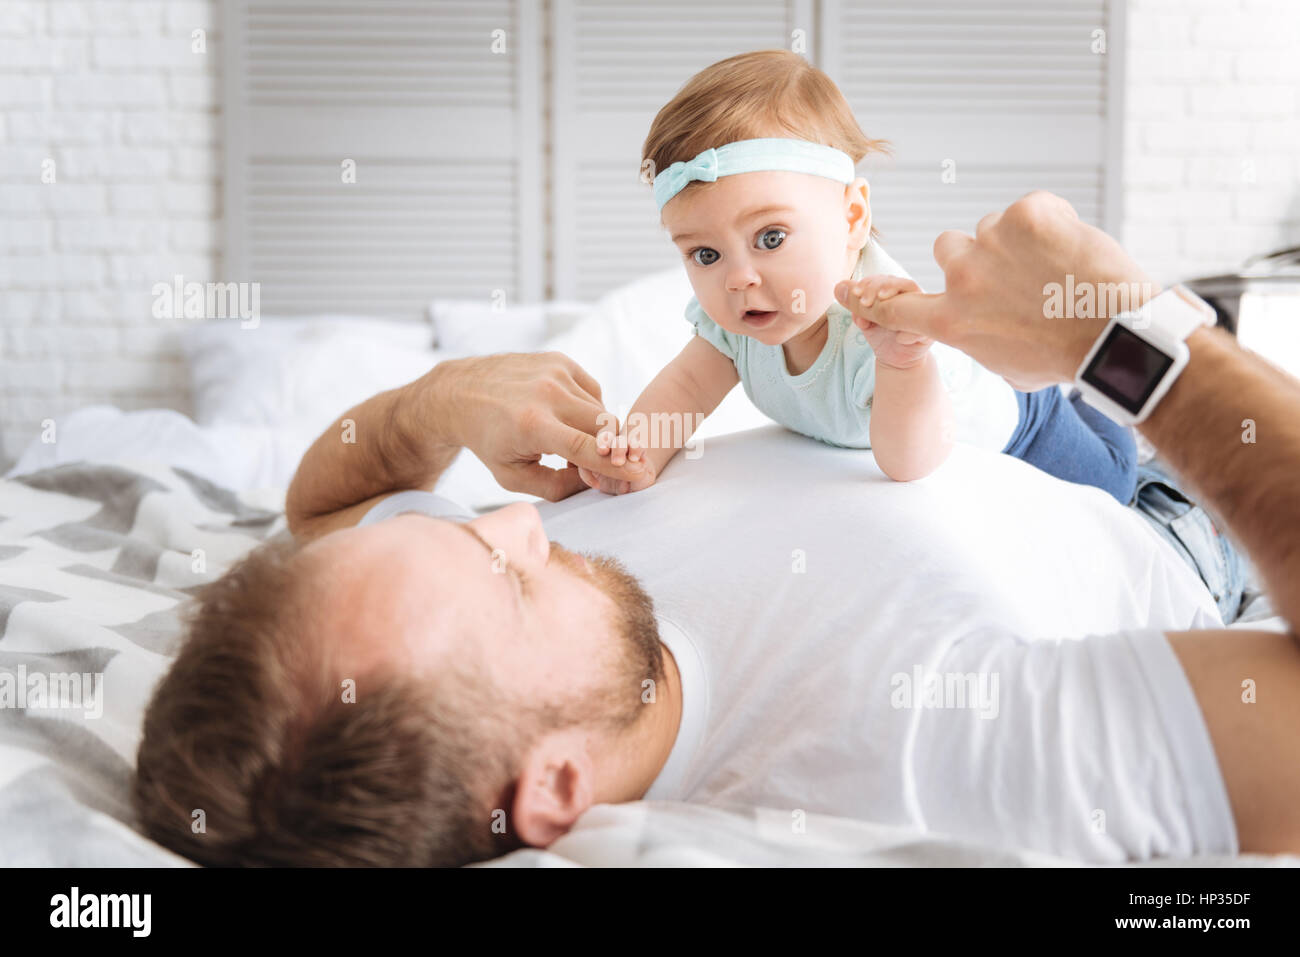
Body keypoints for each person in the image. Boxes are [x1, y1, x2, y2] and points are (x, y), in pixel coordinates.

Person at [132, 191, 1300, 869]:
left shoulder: (448, 621)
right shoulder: (924, 760)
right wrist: (1126, 339)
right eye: (509, 574)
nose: (519, 523)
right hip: (1176, 502)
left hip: (1001, 411)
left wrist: (423, 406)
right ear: (554, 789)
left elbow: (317, 510)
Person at [578, 49, 1136, 503]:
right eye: (705, 254)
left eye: (770, 238)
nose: (738, 279)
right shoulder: (735, 323)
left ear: (852, 217)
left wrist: (903, 361)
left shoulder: (885, 330)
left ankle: (1116, 387)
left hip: (1026, 427)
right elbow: (686, 388)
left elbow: (908, 460)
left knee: (1117, 482)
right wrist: (639, 450)